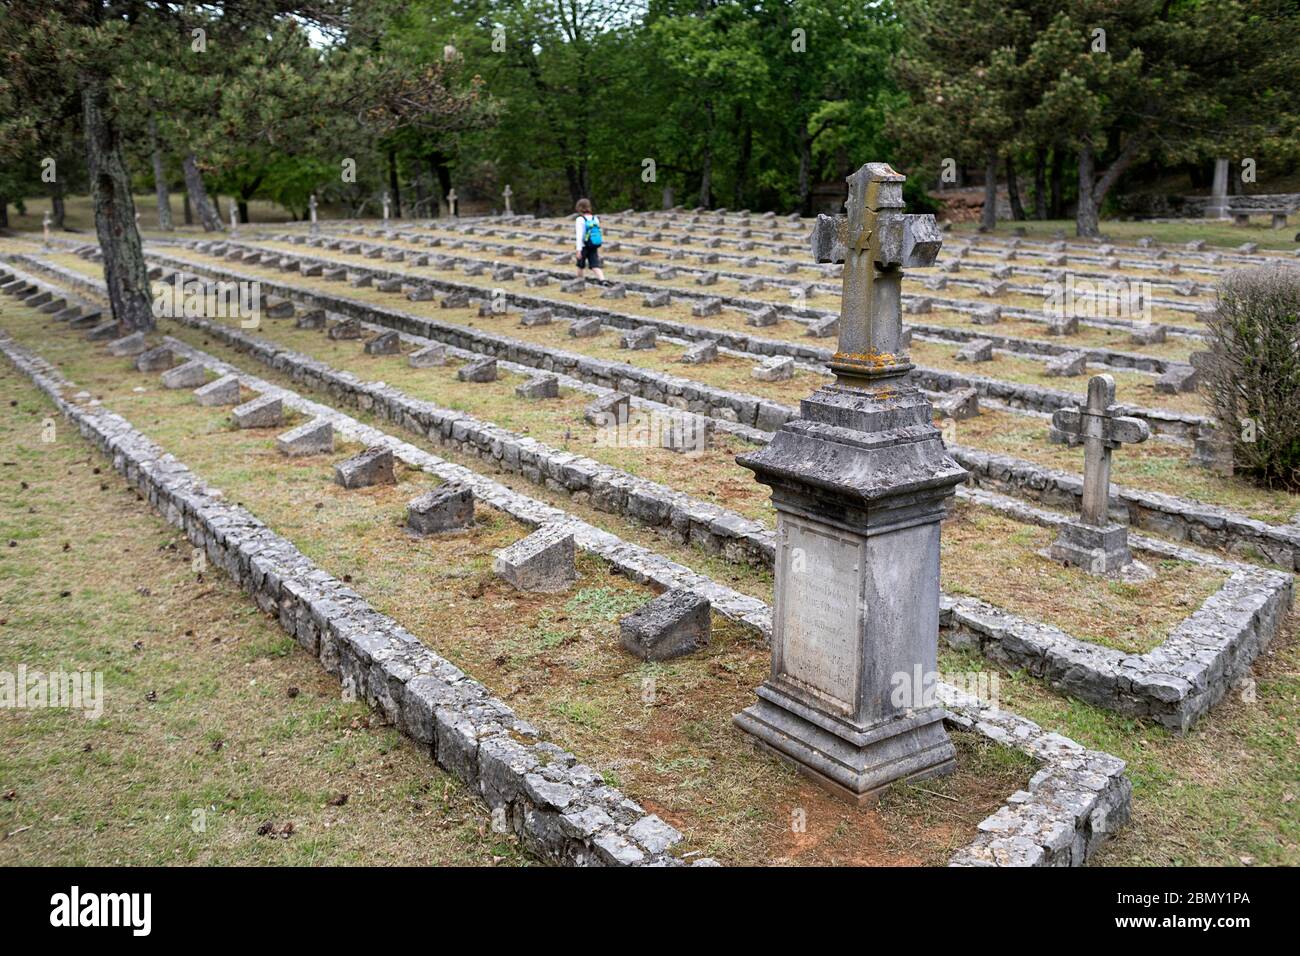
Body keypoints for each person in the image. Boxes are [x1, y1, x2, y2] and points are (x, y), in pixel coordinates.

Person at [573, 198, 605, 280]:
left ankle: (579, 281)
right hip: (593, 244)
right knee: (595, 265)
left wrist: (578, 249)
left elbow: (579, 236)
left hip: (584, 246)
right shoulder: (595, 218)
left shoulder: (580, 219)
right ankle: (603, 280)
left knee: (580, 265)